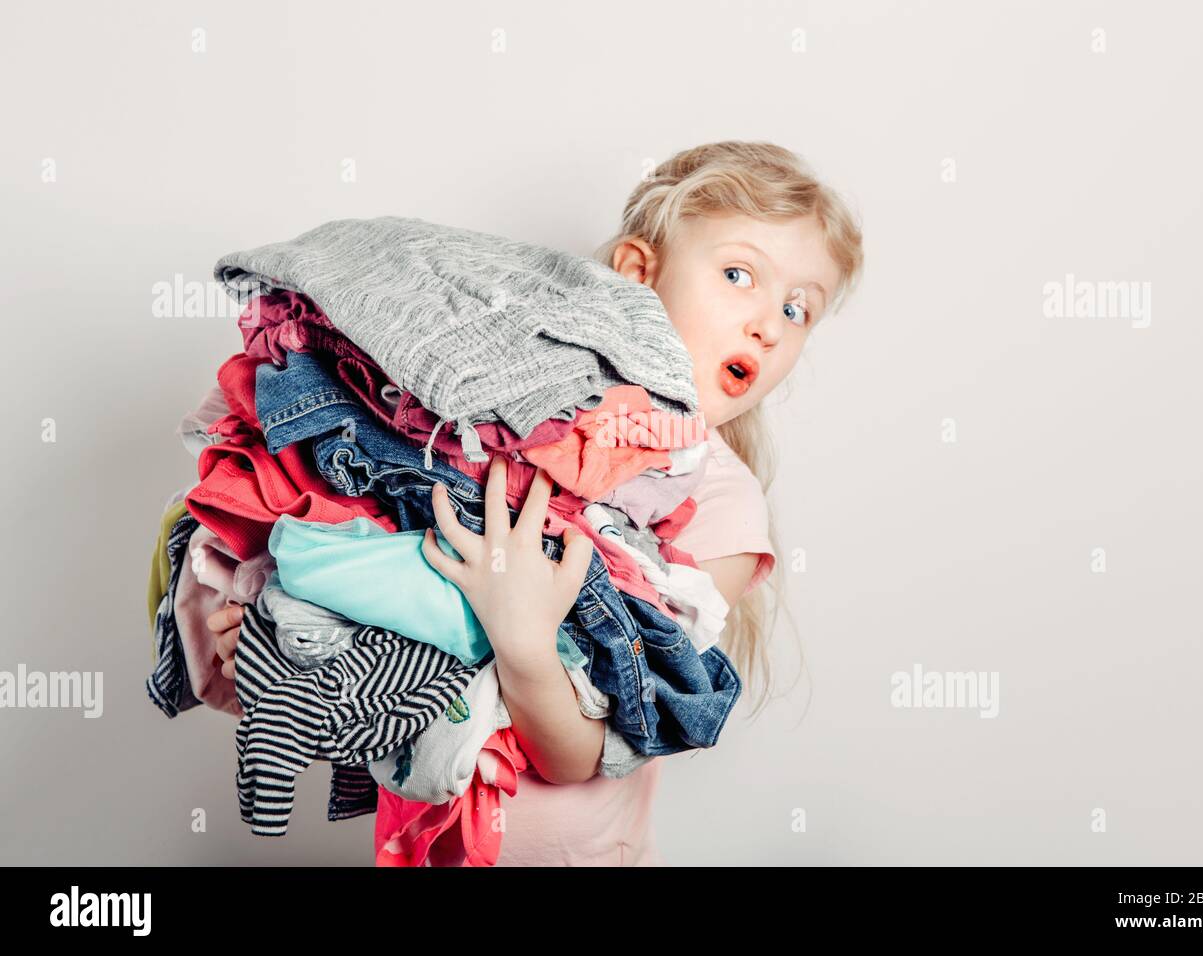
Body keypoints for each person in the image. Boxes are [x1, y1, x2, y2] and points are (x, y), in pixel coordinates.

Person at [206, 140, 864, 865]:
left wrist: (522, 635)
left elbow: (577, 757)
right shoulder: (500, 437)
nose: (769, 324)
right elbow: (398, 654)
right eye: (739, 274)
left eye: (799, 309)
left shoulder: (724, 510)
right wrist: (290, 645)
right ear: (639, 276)